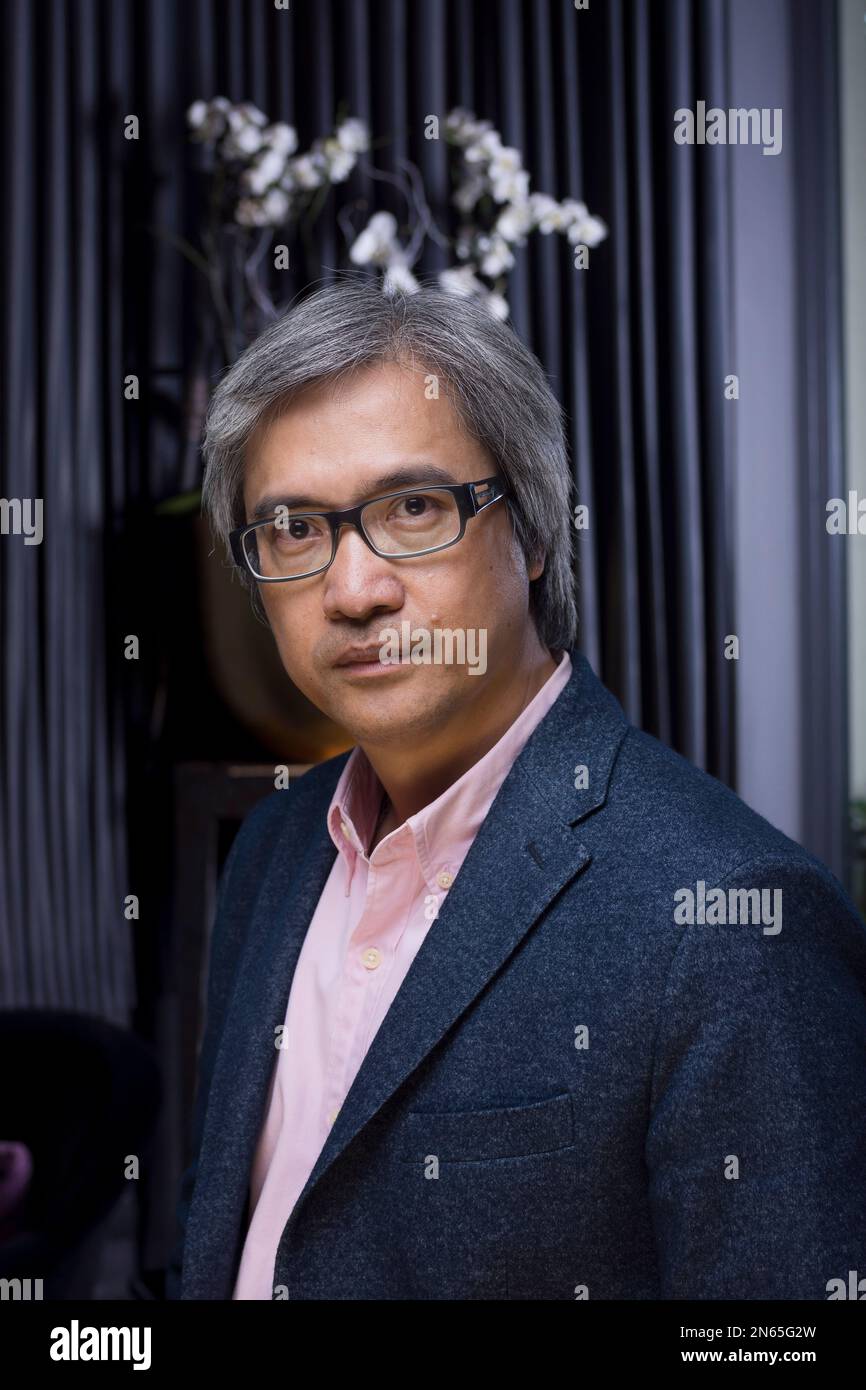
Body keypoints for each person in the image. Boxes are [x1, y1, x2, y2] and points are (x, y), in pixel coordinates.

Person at [167, 278, 866, 1300]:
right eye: (292, 528)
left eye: (413, 508)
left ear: (532, 530)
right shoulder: (276, 842)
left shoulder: (731, 922)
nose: (353, 590)